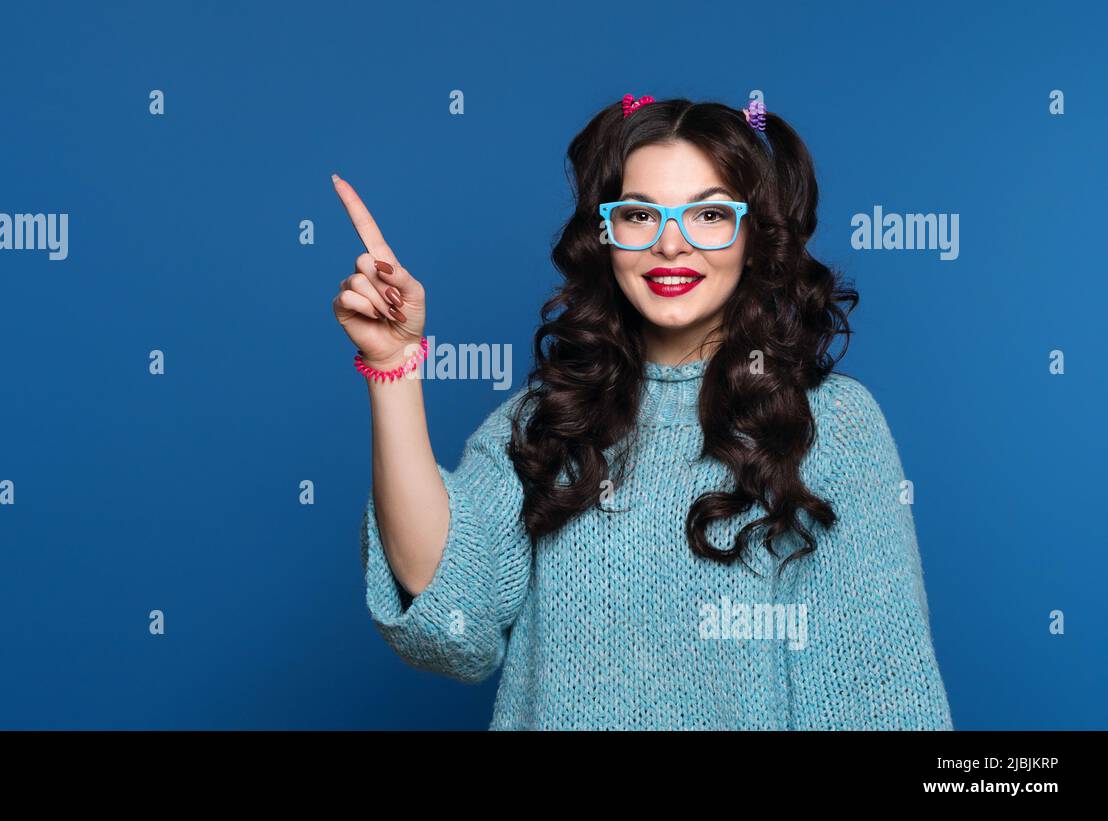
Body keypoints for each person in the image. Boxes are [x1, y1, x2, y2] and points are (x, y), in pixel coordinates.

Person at [331, 94, 953, 730]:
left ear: (752, 233)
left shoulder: (828, 422)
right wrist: (393, 366)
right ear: (605, 235)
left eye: (709, 214)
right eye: (639, 216)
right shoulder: (549, 417)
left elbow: (878, 689)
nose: (672, 245)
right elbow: (448, 609)